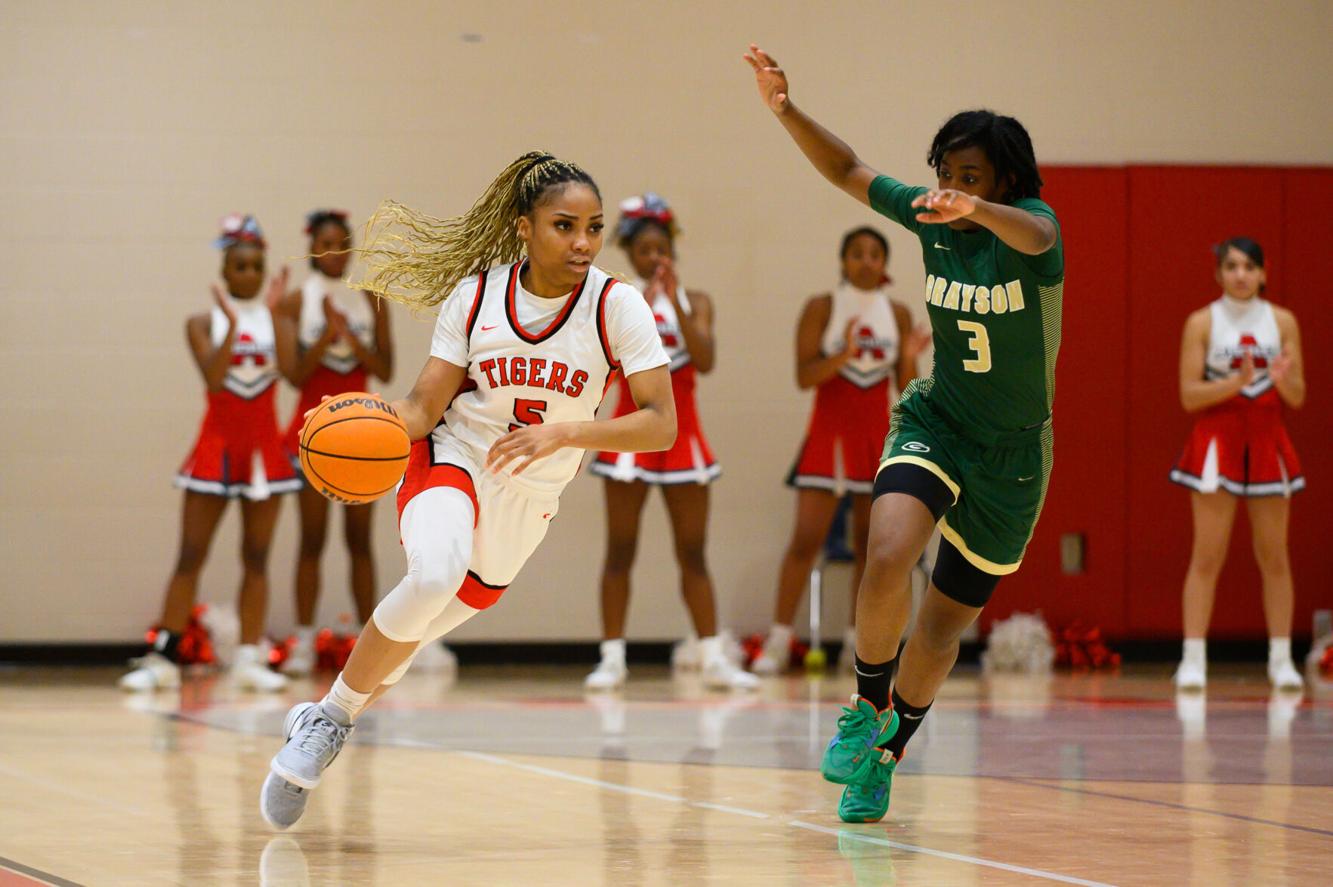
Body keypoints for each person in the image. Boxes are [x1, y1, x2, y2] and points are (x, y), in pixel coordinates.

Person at [259, 152, 677, 830]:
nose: (582, 242)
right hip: (451, 457)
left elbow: (661, 423)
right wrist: (361, 422)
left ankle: (326, 710)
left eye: (593, 227)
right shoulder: (477, 295)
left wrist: (566, 434)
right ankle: (328, 722)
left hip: (526, 500)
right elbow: (424, 408)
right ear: (523, 227)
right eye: (564, 225)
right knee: (432, 575)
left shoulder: (614, 304)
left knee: (414, 634)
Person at [745, 44, 1064, 823]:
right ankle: (861, 708)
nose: (951, 188)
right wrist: (785, 110)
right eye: (946, 173)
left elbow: (1036, 238)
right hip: (936, 419)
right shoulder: (928, 218)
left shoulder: (1032, 229)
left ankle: (886, 757)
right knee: (886, 551)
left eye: (971, 176)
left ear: (1006, 183)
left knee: (940, 628)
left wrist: (980, 212)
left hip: (1013, 455)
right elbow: (848, 169)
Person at [584, 193, 756, 691]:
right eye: (644, 250)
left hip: (686, 438)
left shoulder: (696, 300)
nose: (654, 257)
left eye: (662, 249)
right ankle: (612, 658)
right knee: (619, 550)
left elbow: (704, 360)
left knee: (694, 552)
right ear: (630, 254)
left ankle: (712, 657)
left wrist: (677, 302)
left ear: (672, 251)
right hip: (628, 435)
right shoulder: (615, 300)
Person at [121, 215, 300, 692]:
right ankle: (163, 657)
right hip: (215, 447)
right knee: (191, 554)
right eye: (239, 266)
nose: (248, 274)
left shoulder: (278, 318)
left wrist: (279, 317)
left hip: (264, 450)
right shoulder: (201, 322)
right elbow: (215, 378)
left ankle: (248, 655)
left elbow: (296, 376)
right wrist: (236, 323)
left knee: (257, 557)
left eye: (256, 266)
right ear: (224, 271)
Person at [751, 226, 928, 675]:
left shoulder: (900, 313)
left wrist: (908, 356)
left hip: (876, 441)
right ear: (843, 260)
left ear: (884, 264)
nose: (866, 261)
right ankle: (777, 640)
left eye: (874, 254)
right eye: (857, 253)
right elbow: (804, 376)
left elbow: (906, 390)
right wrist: (844, 354)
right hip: (827, 440)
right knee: (804, 542)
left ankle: (858, 643)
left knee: (871, 549)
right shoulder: (821, 307)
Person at [1169, 237, 1306, 691]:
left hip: (1268, 440)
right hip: (1216, 443)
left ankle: (1282, 658)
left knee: (1274, 556)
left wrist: (1281, 380)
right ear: (1219, 274)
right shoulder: (1201, 322)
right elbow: (1189, 395)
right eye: (1231, 266)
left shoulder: (1283, 321)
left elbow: (1298, 396)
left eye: (1249, 266)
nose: (1240, 274)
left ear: (1264, 273)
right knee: (1207, 556)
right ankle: (1193, 658)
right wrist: (1237, 382)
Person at [277, 210, 396, 676]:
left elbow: (383, 370)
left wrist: (349, 335)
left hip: (362, 434)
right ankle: (304, 642)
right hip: (312, 434)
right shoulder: (293, 302)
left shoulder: (370, 298)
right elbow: (293, 375)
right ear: (312, 247)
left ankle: (372, 643)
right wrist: (327, 333)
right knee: (311, 540)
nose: (335, 252)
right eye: (325, 244)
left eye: (342, 243)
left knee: (360, 541)